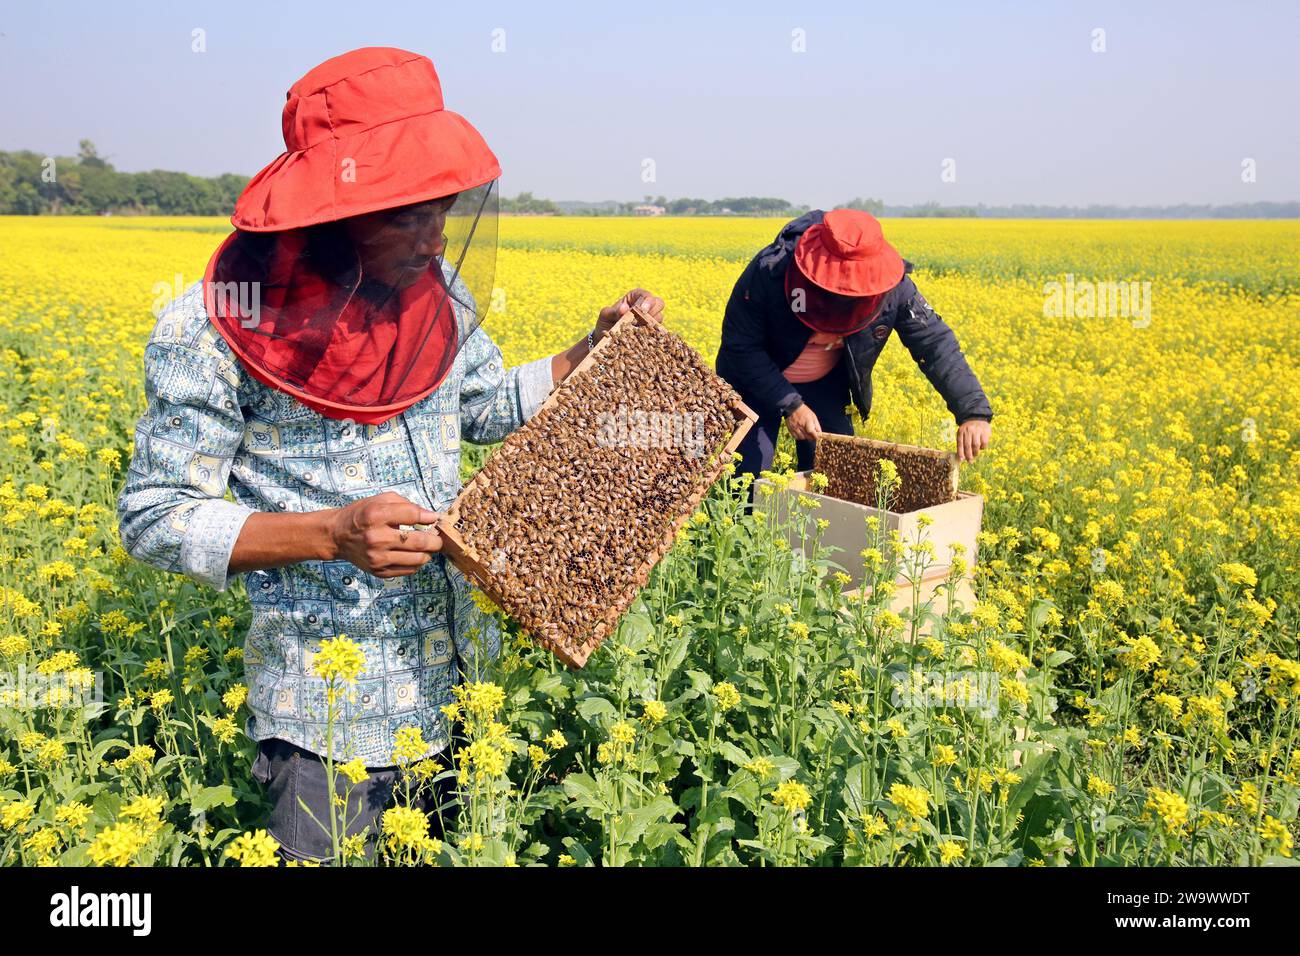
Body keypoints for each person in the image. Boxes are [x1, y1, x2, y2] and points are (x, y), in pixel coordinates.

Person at [117, 47, 665, 863]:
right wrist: (332, 534)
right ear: (329, 214)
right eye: (406, 215)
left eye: (442, 209)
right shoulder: (207, 330)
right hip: (324, 717)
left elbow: (474, 405)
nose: (436, 237)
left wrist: (588, 352)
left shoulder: (438, 294)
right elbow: (156, 516)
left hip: (455, 688)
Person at [716, 209, 992, 486]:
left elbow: (934, 342)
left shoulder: (893, 286)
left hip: (824, 383)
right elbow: (740, 347)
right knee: (746, 480)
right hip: (757, 381)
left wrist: (973, 411)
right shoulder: (772, 270)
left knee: (833, 479)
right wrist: (790, 404)